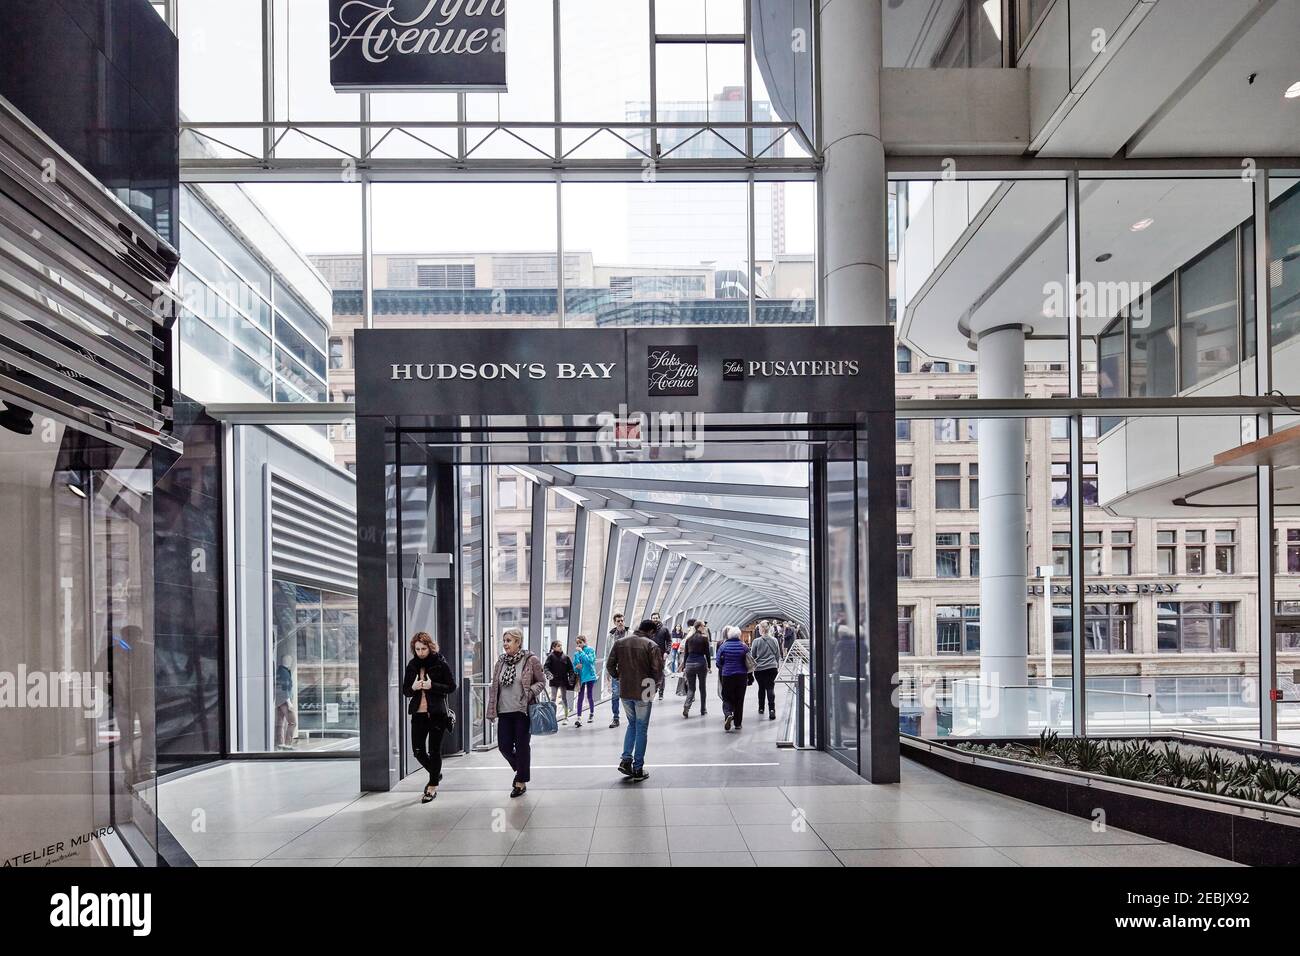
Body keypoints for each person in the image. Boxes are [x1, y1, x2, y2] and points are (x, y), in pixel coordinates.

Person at [486, 627, 547, 798]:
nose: (505, 644)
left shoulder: (531, 660)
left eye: (509, 641)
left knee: (522, 747)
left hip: (522, 711)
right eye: (504, 641)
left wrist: (529, 693)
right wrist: (491, 710)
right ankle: (520, 770)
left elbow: (541, 682)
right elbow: (495, 687)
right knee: (504, 747)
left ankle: (520, 782)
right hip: (504, 711)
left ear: (518, 642)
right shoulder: (500, 662)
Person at [605, 619, 664, 782]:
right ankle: (638, 768)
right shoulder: (651, 645)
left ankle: (626, 760)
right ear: (651, 631)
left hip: (625, 689)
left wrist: (619, 677)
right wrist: (654, 689)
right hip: (645, 688)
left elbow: (610, 666)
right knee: (641, 727)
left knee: (632, 724)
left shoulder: (620, 643)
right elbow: (657, 672)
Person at [401, 632, 456, 803]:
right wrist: (414, 686)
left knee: (434, 751)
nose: (420, 652)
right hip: (418, 714)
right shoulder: (412, 665)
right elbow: (405, 691)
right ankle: (435, 773)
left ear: (430, 647)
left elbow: (452, 686)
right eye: (417, 649)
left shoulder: (440, 662)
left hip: (437, 714)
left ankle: (432, 787)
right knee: (418, 751)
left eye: (423, 648)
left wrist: (432, 686)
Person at [715, 625, 752, 732]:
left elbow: (718, 662)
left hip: (727, 675)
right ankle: (738, 723)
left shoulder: (723, 646)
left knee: (726, 696)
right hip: (741, 676)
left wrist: (724, 667)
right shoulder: (744, 646)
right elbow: (749, 661)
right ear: (739, 635)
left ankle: (728, 714)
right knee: (740, 699)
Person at [750, 621, 782, 721]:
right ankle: (772, 710)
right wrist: (776, 666)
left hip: (759, 669)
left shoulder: (756, 641)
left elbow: (752, 656)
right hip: (772, 668)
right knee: (770, 688)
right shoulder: (774, 640)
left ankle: (761, 708)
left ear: (761, 629)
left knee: (761, 688)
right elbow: (777, 655)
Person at [681, 618, 712, 718]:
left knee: (691, 688)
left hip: (689, 664)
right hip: (700, 664)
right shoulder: (704, 638)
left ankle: (687, 706)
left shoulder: (689, 638)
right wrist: (709, 666)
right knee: (702, 688)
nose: (705, 627)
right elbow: (707, 654)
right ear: (699, 627)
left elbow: (686, 654)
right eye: (703, 626)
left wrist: (684, 666)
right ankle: (703, 709)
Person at [544, 640, 575, 724]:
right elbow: (546, 667)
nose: (560, 647)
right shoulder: (550, 656)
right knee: (553, 699)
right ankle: (552, 717)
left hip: (563, 680)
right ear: (553, 647)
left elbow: (571, 670)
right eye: (558, 646)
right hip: (554, 681)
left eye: (561, 645)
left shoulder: (566, 657)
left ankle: (566, 717)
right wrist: (549, 674)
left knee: (564, 698)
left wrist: (571, 679)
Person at [572, 635, 597, 727]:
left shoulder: (590, 650)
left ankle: (591, 713)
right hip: (581, 677)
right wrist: (576, 667)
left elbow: (590, 661)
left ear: (585, 642)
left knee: (589, 696)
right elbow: (575, 664)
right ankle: (579, 717)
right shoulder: (576, 653)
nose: (579, 644)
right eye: (577, 643)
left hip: (590, 676)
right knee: (580, 697)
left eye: (580, 642)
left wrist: (582, 652)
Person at [607, 613, 627, 727]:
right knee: (615, 695)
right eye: (618, 621)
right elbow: (608, 653)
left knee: (630, 694)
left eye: (622, 620)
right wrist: (608, 671)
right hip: (616, 670)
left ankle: (632, 716)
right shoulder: (611, 636)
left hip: (629, 670)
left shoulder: (630, 634)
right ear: (615, 622)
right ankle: (615, 718)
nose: (620, 622)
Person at [648, 611, 671, 700]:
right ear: (651, 619)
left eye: (656, 618)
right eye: (653, 618)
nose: (655, 620)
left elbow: (669, 641)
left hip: (661, 655)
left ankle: (661, 692)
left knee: (660, 673)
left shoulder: (664, 629)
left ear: (659, 618)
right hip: (650, 655)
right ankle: (653, 690)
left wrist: (667, 652)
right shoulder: (648, 629)